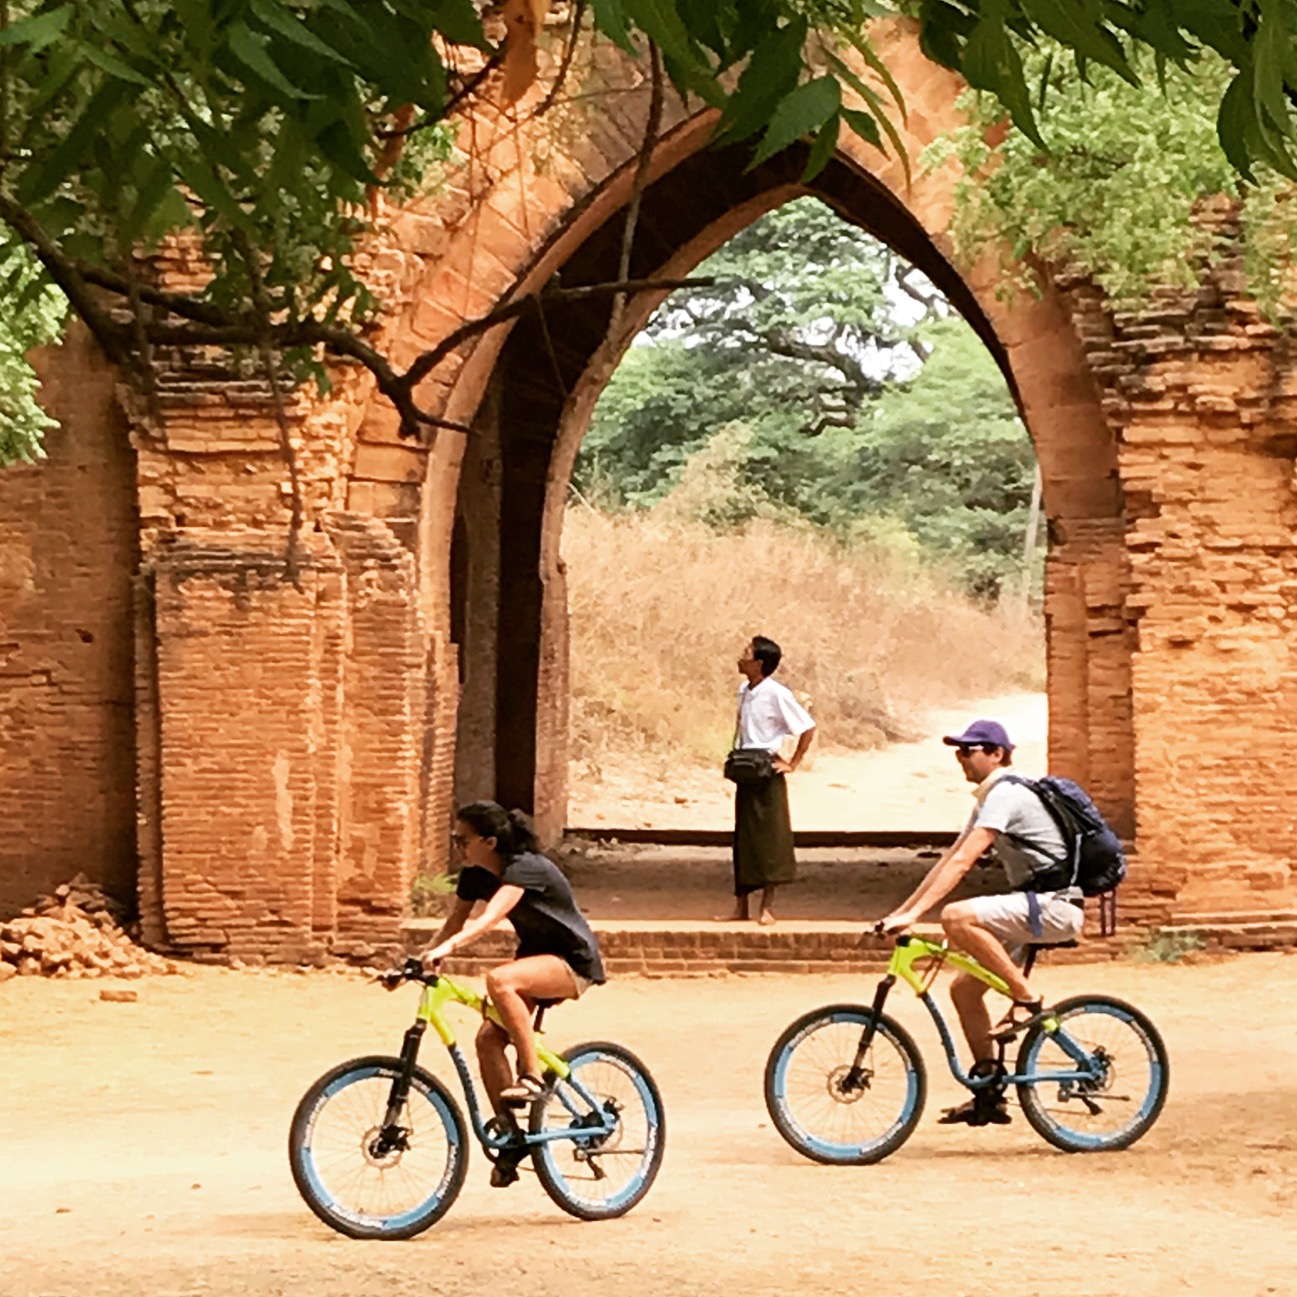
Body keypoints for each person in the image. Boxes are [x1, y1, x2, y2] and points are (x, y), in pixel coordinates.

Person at [879, 719, 1083, 1126]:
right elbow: (945, 861)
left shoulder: (1007, 794)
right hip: (1032, 906)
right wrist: (901, 912)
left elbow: (964, 861)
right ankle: (989, 1094)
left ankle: (1027, 1001)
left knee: (956, 916)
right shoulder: (989, 799)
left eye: (970, 751)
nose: (962, 758)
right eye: (959, 751)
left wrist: (918, 915)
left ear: (997, 754)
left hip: (1053, 905)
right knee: (964, 991)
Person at [420, 799, 606, 1185]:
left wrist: (447, 951)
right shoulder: (476, 874)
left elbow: (489, 919)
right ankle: (512, 1138)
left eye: (462, 840)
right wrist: (419, 957)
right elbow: (454, 922)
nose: (458, 847)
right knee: (488, 1041)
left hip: (571, 963)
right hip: (534, 962)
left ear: (488, 841)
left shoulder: (526, 868)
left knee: (500, 980)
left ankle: (533, 1076)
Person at [717, 635, 816, 926]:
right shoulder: (744, 690)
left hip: (767, 769)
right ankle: (741, 906)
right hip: (747, 768)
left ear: (759, 663)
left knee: (771, 840)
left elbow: (806, 728)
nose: (741, 657)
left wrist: (791, 763)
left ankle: (767, 907)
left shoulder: (776, 693)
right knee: (744, 839)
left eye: (747, 653)